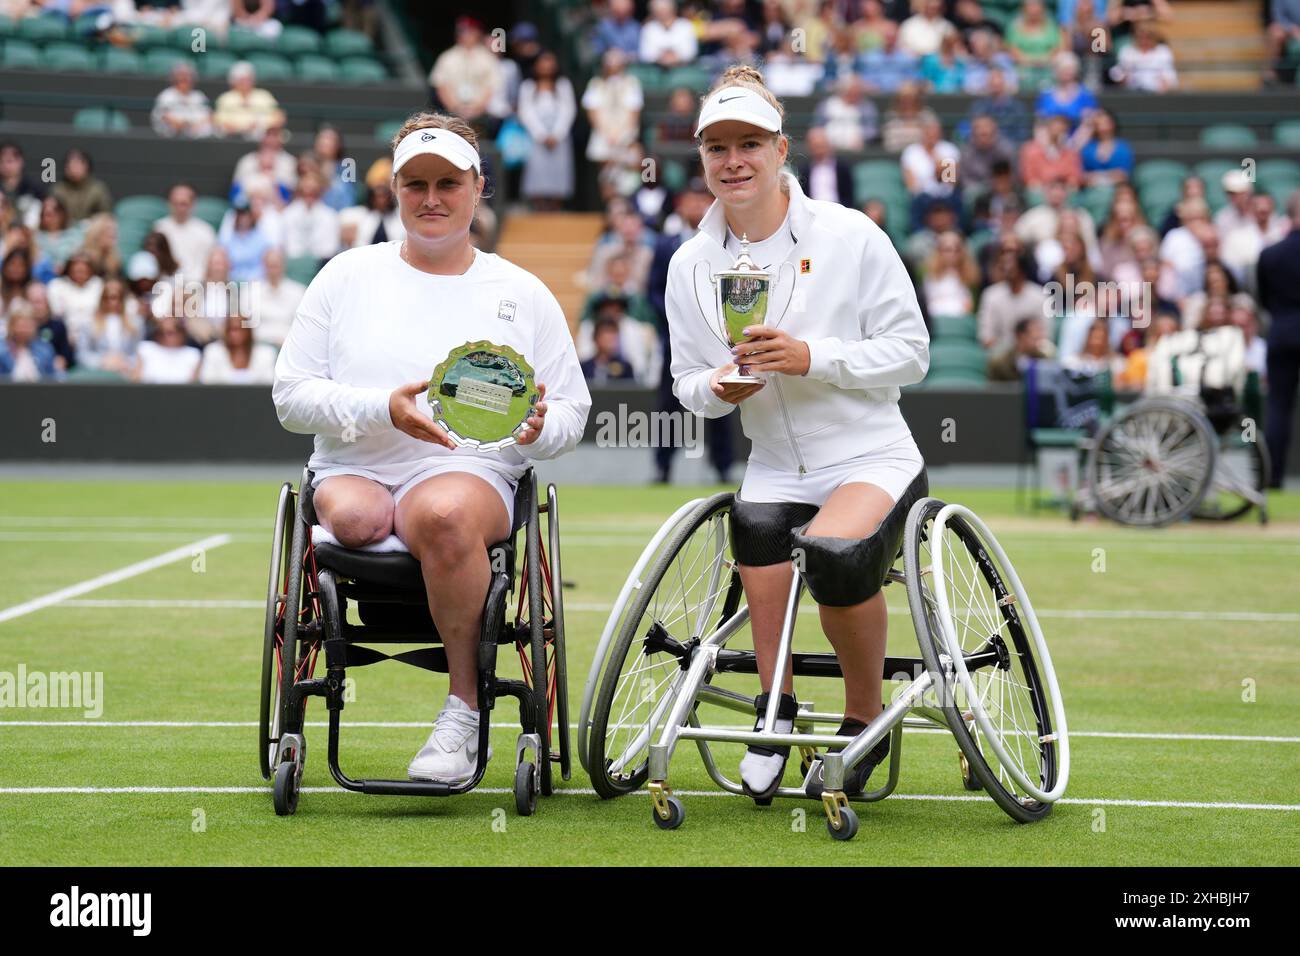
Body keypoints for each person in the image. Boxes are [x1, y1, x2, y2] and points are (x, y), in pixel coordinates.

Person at [272, 112, 591, 784]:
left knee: (440, 515)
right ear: (394, 191)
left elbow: (571, 408)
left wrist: (538, 429)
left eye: (449, 181)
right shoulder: (346, 275)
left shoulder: (521, 292)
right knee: (356, 519)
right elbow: (290, 395)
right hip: (355, 465)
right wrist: (380, 408)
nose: (432, 198)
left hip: (465, 470)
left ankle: (464, 710)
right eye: (415, 184)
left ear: (478, 187)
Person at [664, 67, 929, 800]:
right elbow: (688, 384)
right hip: (774, 464)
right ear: (703, 158)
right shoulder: (689, 263)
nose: (734, 161)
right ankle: (772, 706)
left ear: (783, 149)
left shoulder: (850, 234)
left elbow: (913, 352)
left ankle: (860, 720)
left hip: (871, 455)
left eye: (750, 143)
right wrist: (721, 386)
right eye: (718, 147)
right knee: (753, 526)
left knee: (836, 556)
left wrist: (817, 357)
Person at [1258, 192, 1300, 487]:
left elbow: (1264, 299)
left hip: (1282, 333)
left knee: (1278, 407)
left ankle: (1273, 479)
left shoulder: (1271, 254)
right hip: (1284, 331)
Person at [517, 51, 577, 211]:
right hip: (536, 138)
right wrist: (541, 134)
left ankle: (556, 207)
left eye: (550, 62)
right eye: (543, 62)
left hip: (559, 138)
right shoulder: (528, 86)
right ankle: (539, 208)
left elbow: (569, 110)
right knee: (537, 171)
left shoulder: (563, 85)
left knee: (559, 171)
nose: (546, 67)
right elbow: (525, 112)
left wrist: (557, 134)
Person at [154, 183, 217, 283]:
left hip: (198, 286)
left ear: (193, 204)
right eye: (175, 203)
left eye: (183, 203)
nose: (179, 208)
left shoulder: (205, 231)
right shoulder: (159, 228)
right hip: (166, 285)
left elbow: (212, 264)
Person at [200, 314, 277, 383]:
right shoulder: (213, 351)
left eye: (240, 329)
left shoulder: (266, 354)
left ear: (248, 331)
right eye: (231, 329)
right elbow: (207, 381)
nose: (235, 334)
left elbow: (268, 383)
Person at [151, 61, 214, 138]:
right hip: (172, 137)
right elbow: (164, 116)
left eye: (188, 76)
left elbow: (208, 116)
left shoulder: (198, 96)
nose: (185, 79)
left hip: (198, 137)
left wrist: (195, 126)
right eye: (181, 75)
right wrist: (183, 125)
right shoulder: (167, 94)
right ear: (174, 78)